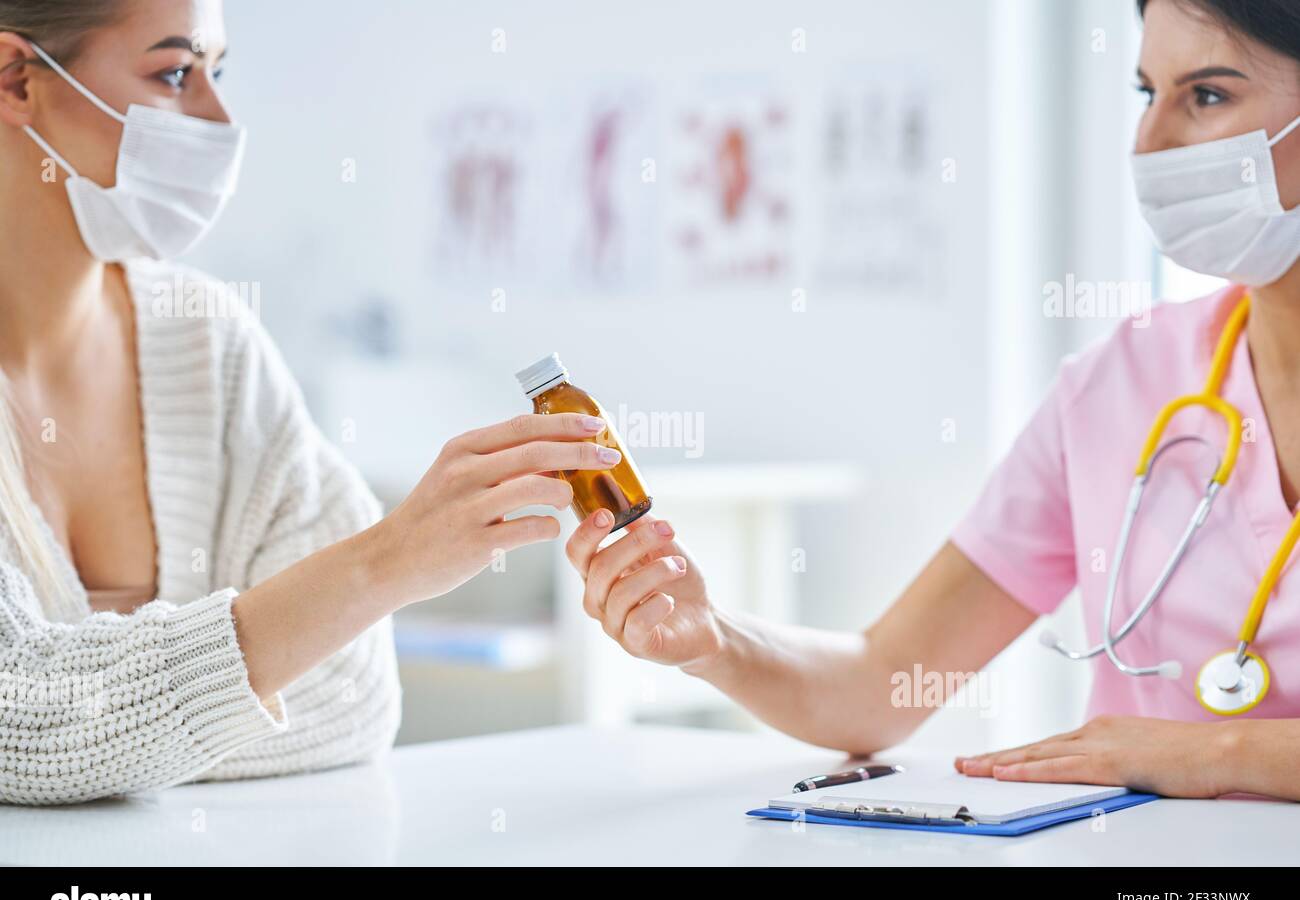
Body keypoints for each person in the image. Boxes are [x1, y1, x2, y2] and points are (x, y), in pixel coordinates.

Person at [568, 0, 1300, 801]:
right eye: (1145, 93)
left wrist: (1215, 754)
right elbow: (882, 683)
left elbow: (1195, 755)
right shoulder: (1116, 388)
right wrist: (714, 641)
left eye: (1206, 95)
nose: (1148, 143)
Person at [0, 0, 618, 805]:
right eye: (175, 74)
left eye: (218, 74)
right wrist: (381, 564)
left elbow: (355, 695)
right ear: (16, 79)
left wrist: (108, 739)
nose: (221, 120)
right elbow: (17, 725)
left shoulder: (207, 340)